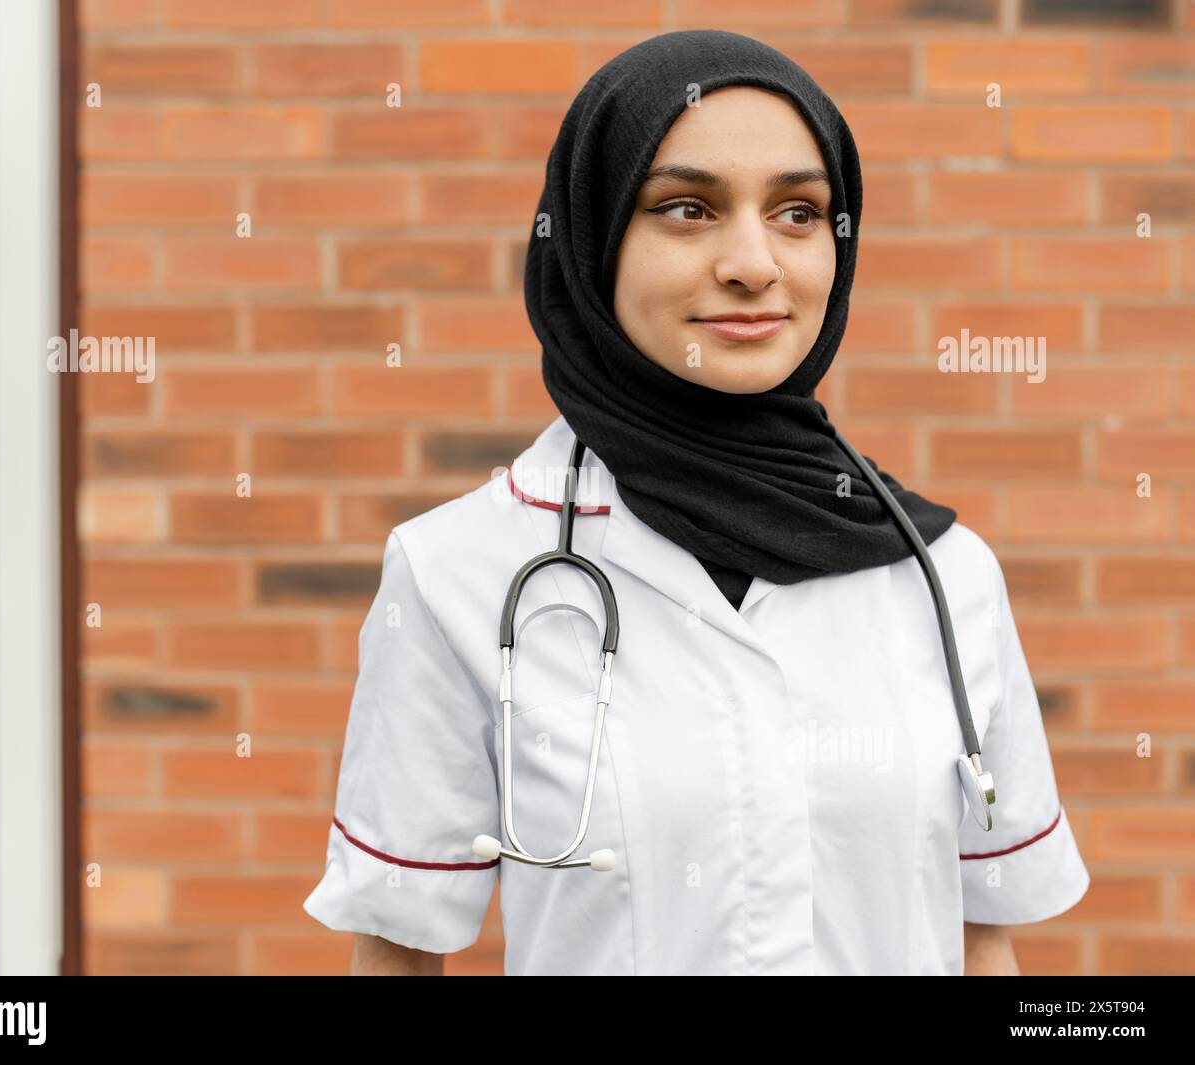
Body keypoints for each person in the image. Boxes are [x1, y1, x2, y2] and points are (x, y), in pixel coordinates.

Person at [302, 29, 1089, 976]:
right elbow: (397, 949)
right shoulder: (457, 573)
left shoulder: (943, 573)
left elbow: (983, 940)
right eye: (687, 208)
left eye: (799, 212)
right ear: (591, 240)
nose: (755, 262)